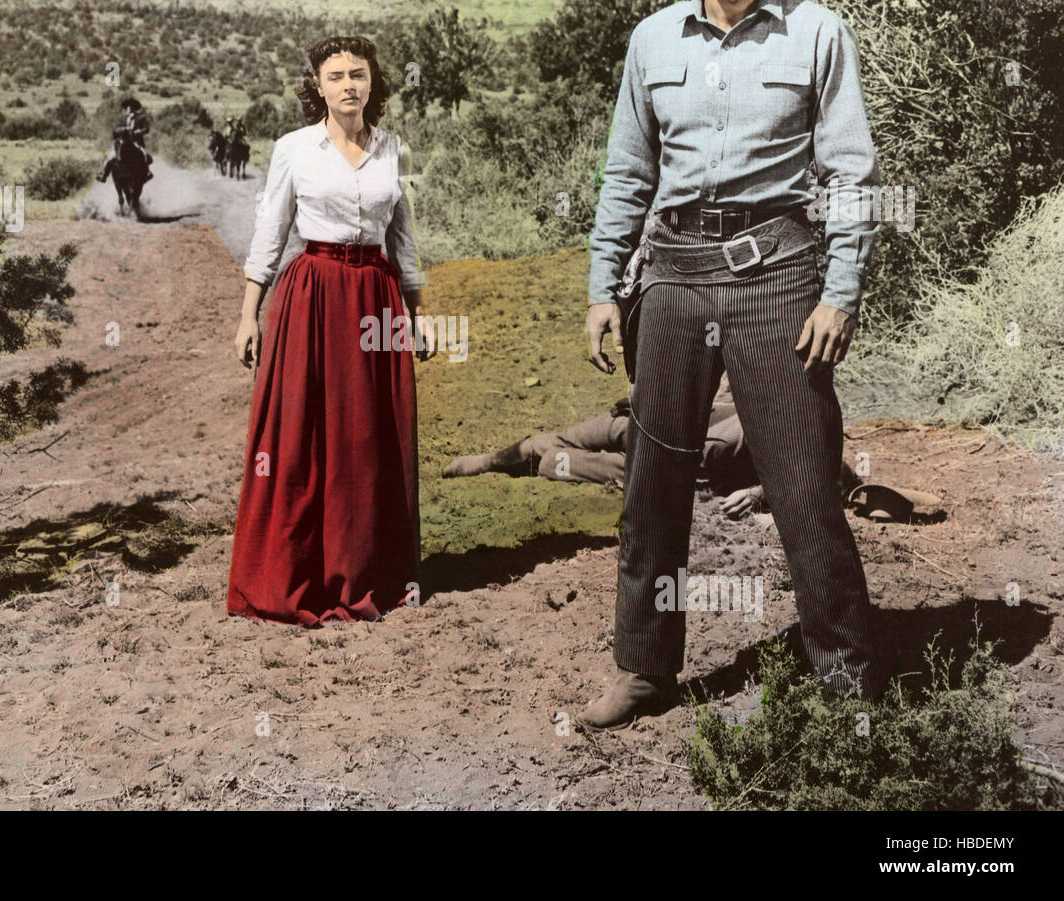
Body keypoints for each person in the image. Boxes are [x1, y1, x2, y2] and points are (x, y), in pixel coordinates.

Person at [581, 0, 888, 729]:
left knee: (802, 482)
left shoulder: (817, 33)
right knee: (654, 483)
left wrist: (841, 290)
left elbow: (854, 176)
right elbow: (627, 175)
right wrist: (606, 283)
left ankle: (847, 674)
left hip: (779, 274)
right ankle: (643, 666)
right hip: (672, 279)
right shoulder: (652, 43)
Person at [228, 36, 437, 625]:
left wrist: (417, 316)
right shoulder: (294, 149)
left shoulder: (393, 149)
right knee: (300, 435)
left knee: (368, 439)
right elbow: (270, 233)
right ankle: (292, 577)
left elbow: (403, 240)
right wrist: (249, 314)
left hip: (376, 298)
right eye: (337, 75)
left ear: (373, 84)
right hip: (312, 297)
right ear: (316, 86)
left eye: (359, 75)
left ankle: (365, 572)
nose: (349, 85)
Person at [442, 375, 859, 518]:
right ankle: (494, 461)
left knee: (568, 461)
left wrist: (754, 494)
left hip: (670, 467)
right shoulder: (754, 387)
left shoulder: (804, 441)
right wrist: (649, 399)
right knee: (565, 441)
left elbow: (818, 479)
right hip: (648, 420)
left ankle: (537, 463)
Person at [95, 96, 153, 183]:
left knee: (144, 155)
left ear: (135, 108)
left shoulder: (141, 118)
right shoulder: (120, 118)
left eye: (132, 107)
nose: (129, 109)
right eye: (127, 107)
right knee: (110, 156)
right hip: (122, 141)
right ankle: (103, 174)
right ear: (125, 108)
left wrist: (138, 132)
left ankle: (147, 173)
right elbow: (115, 129)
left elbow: (147, 129)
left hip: (136, 141)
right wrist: (124, 129)